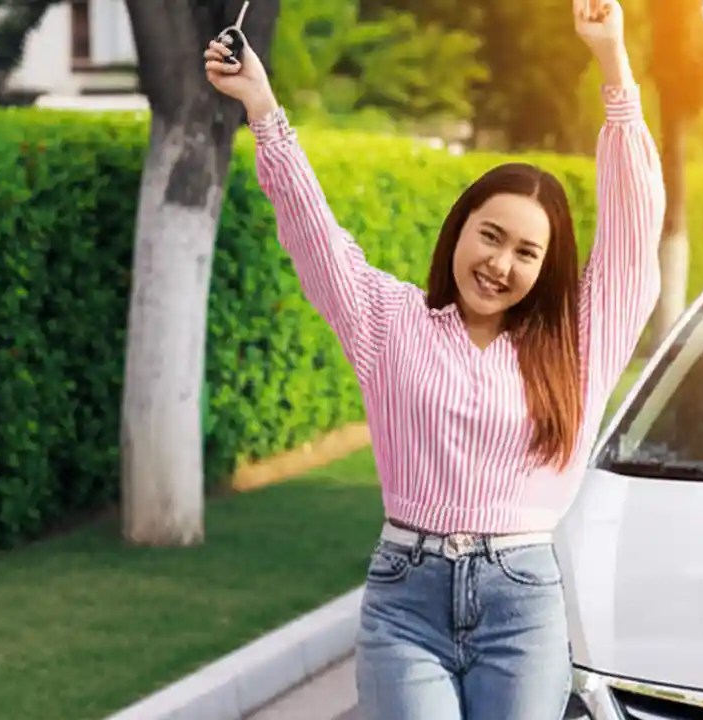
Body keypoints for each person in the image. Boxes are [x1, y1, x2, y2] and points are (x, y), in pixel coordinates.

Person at [205, 0, 662, 717]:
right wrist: (262, 107)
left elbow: (634, 229)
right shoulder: (389, 319)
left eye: (526, 251)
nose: (500, 263)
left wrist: (612, 64)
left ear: (546, 268)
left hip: (523, 609)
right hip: (404, 604)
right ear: (459, 231)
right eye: (490, 235)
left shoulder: (579, 343)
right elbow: (313, 232)